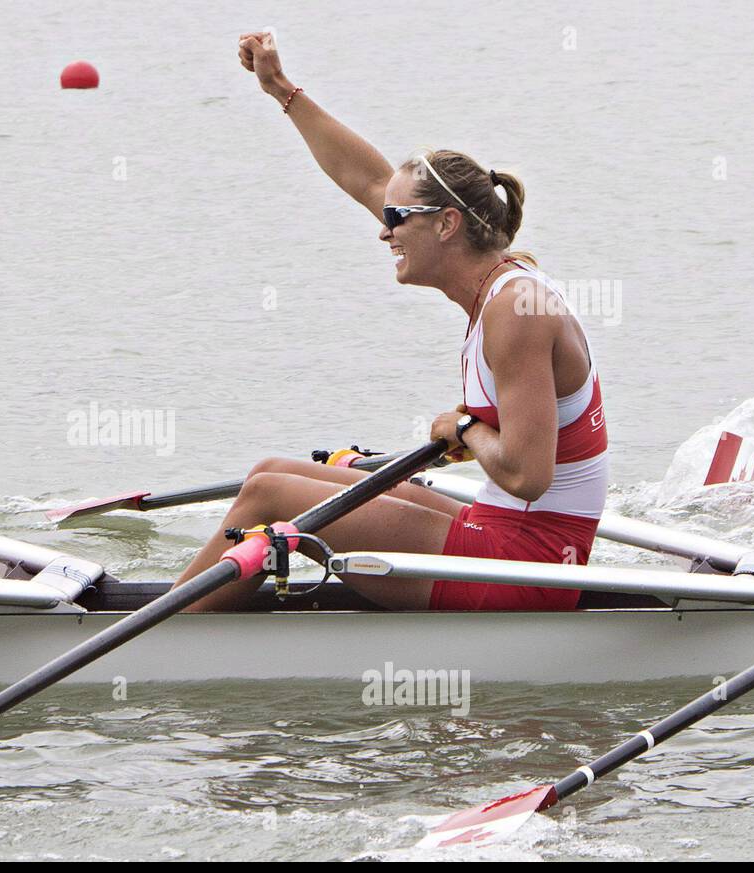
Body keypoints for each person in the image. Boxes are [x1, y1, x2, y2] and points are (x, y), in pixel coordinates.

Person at [172, 35, 608, 612]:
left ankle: (147, 650)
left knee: (269, 496)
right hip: (503, 527)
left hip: (528, 565)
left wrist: (465, 430)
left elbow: (528, 476)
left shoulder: (515, 309)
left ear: (448, 225)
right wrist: (282, 91)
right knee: (270, 471)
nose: (384, 231)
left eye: (398, 219)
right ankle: (194, 614)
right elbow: (368, 181)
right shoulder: (500, 282)